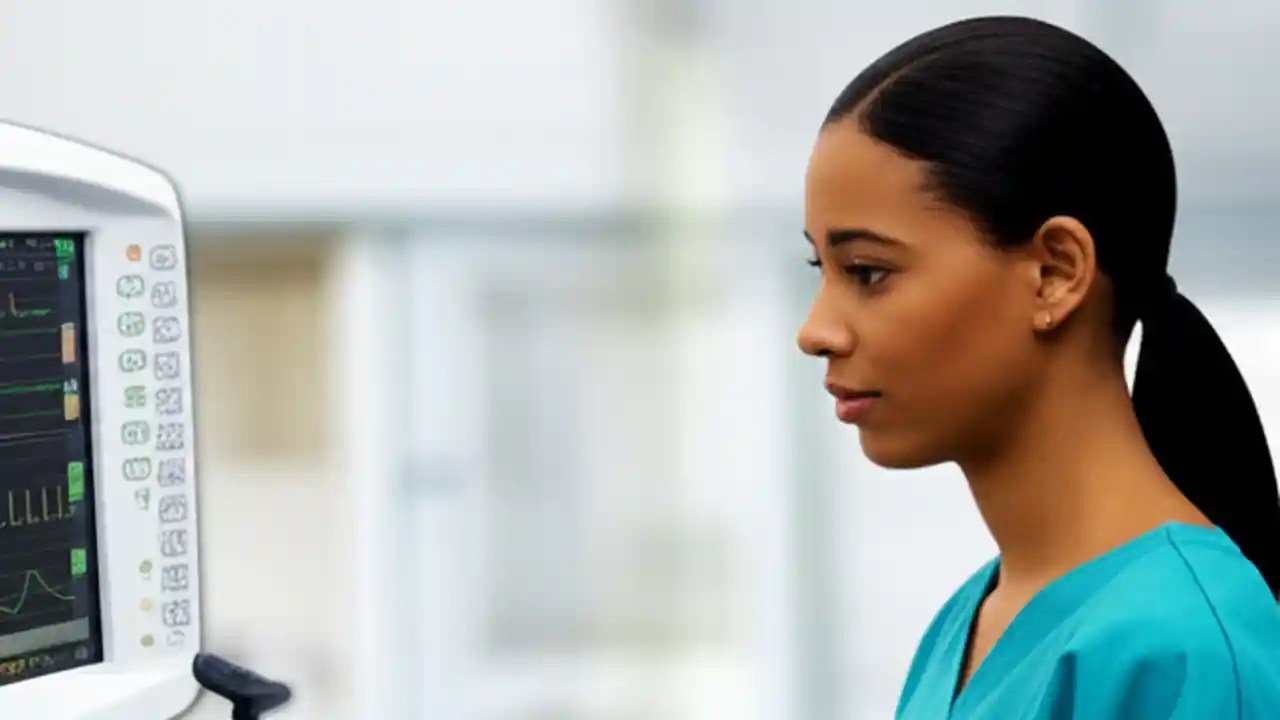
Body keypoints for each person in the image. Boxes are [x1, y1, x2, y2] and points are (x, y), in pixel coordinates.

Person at [797, 15, 1280, 719]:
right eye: (821, 267)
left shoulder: (1187, 649)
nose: (815, 331)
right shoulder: (966, 622)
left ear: (1056, 273)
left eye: (867, 272)